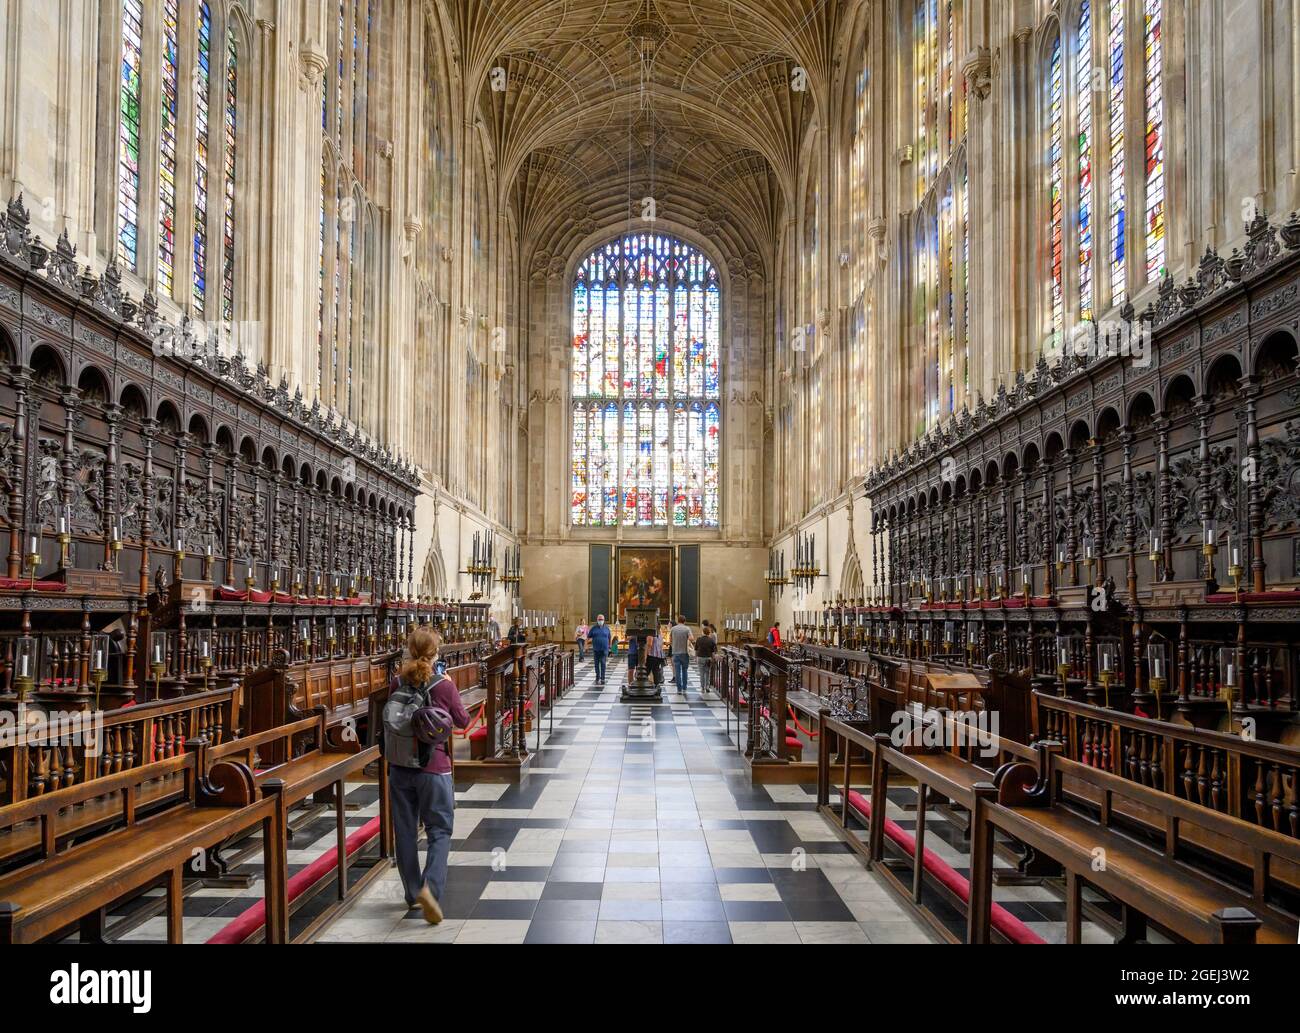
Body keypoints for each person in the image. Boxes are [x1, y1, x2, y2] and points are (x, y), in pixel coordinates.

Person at [382, 626, 470, 924]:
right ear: (436, 653)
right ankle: (430, 889)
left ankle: (412, 894)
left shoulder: (396, 683)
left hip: (399, 768)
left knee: (405, 832)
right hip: (434, 768)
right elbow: (463, 720)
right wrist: (449, 684)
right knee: (439, 830)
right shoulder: (443, 685)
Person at [669, 614, 693, 692]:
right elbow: (691, 638)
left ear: (678, 620)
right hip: (685, 653)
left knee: (677, 671)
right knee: (684, 670)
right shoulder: (687, 629)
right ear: (684, 621)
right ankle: (685, 687)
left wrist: (673, 645)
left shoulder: (673, 629)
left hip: (675, 652)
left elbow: (670, 640)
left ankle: (679, 689)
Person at [587, 614, 611, 684]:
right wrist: (586, 645)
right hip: (596, 649)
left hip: (604, 649)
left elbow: (609, 637)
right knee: (596, 664)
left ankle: (603, 678)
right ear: (597, 620)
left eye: (602, 620)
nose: (601, 621)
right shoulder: (593, 628)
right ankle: (597, 677)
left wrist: (610, 647)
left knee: (603, 663)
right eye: (599, 620)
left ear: (604, 620)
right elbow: (588, 637)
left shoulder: (607, 628)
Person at [695, 621, 717, 693]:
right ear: (708, 633)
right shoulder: (711, 640)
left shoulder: (698, 639)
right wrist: (713, 659)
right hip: (708, 658)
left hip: (700, 658)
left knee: (701, 673)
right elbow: (713, 651)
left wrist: (696, 658)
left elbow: (696, 649)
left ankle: (702, 688)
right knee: (707, 672)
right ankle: (707, 686)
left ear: (703, 632)